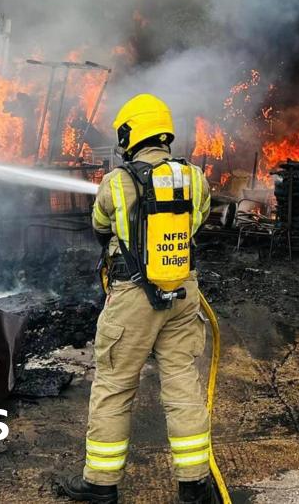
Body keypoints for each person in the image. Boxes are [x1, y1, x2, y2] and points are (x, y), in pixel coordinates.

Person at [57, 93, 216, 503]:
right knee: (183, 382)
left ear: (132, 133)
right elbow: (197, 222)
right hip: (183, 293)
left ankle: (101, 485)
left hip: (133, 298)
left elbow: (100, 225)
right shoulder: (194, 177)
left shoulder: (117, 181)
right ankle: (194, 485)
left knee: (114, 384)